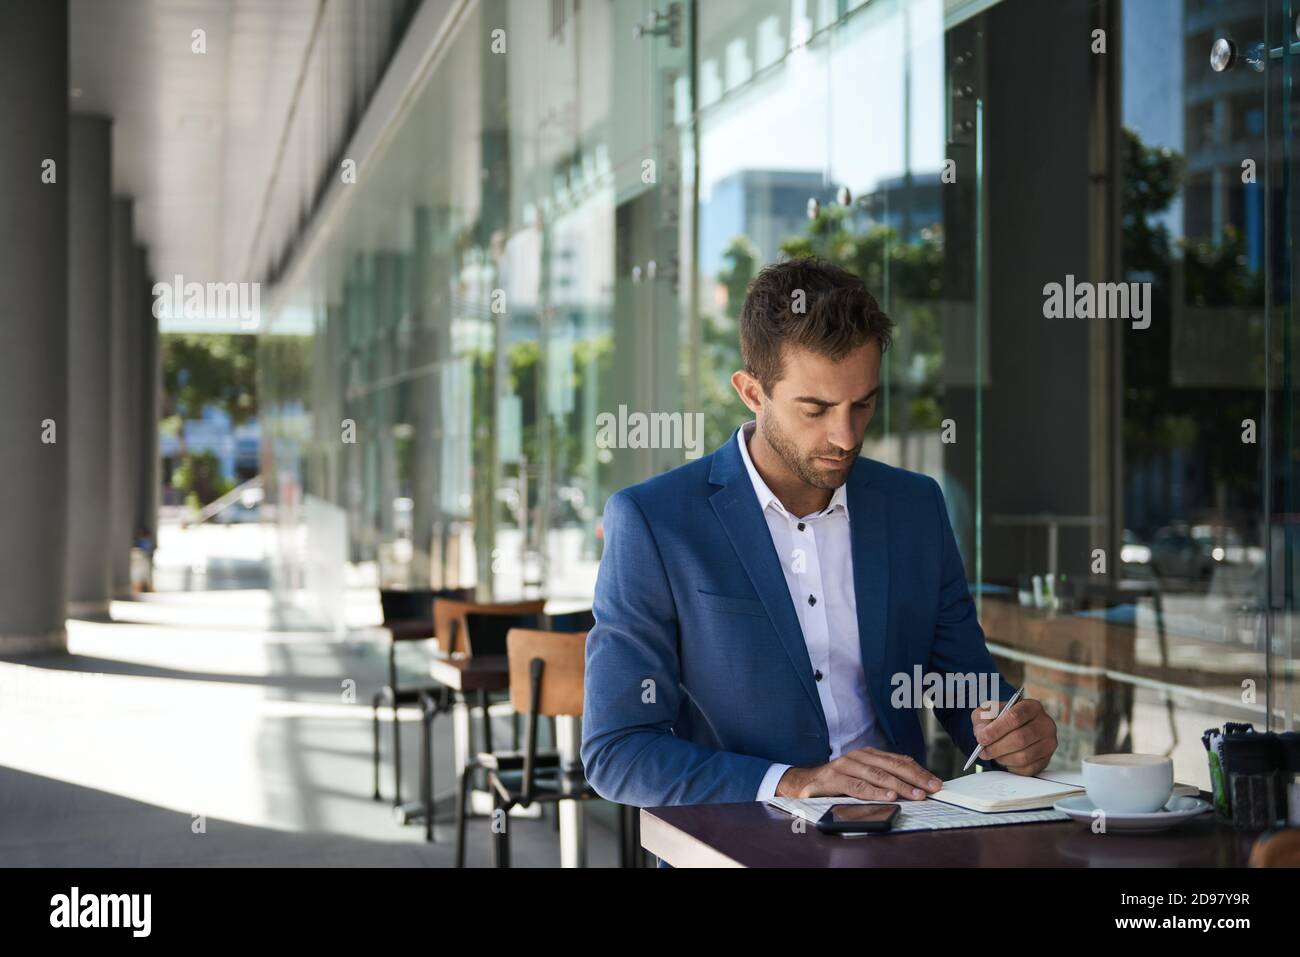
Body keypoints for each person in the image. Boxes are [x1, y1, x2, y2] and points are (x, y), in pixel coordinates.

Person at [581, 257, 1057, 808]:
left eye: (864, 404)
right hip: (740, 846)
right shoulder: (655, 522)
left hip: (902, 836)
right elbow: (617, 750)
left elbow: (968, 691)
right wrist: (795, 783)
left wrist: (1009, 734)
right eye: (816, 408)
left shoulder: (914, 507)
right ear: (752, 392)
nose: (846, 436)